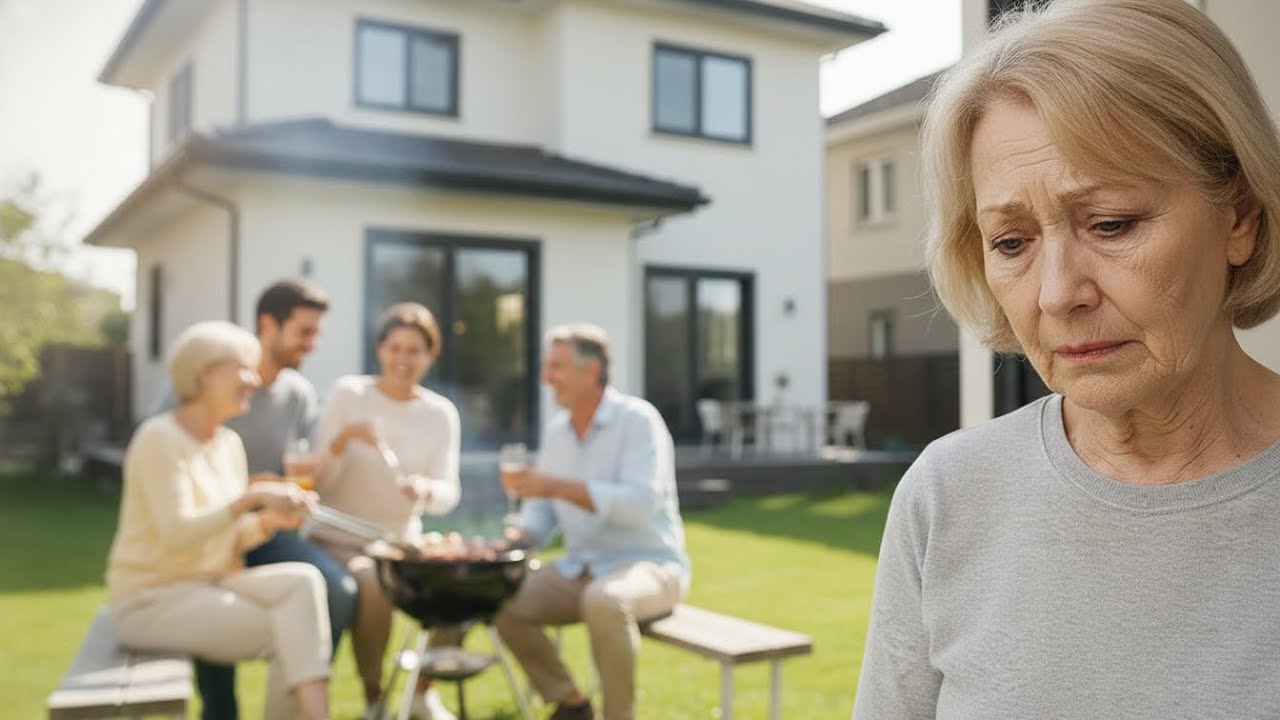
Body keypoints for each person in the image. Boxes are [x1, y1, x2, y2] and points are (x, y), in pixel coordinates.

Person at [852, 1, 1280, 718]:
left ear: (1238, 215)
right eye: (1012, 243)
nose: (1057, 294)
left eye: (1111, 223)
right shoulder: (949, 495)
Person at [153, 278, 357, 720]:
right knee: (215, 596)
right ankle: (220, 707)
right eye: (305, 331)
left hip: (267, 529)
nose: (313, 343)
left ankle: (293, 700)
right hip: (208, 531)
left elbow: (297, 464)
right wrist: (251, 490)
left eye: (317, 332)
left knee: (337, 589)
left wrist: (303, 477)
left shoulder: (299, 394)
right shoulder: (200, 383)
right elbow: (167, 466)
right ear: (269, 324)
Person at [106, 321, 332, 720]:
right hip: (151, 598)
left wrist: (268, 524)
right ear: (206, 373)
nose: (253, 379)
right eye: (243, 368)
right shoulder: (159, 438)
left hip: (209, 583)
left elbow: (225, 538)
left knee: (305, 582)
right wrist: (253, 496)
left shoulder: (229, 444)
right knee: (292, 636)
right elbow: (178, 534)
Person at [496, 324, 690, 720]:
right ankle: (571, 702)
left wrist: (559, 486)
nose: (545, 378)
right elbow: (544, 508)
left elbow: (640, 503)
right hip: (581, 567)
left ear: (592, 371)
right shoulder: (557, 432)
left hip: (651, 566)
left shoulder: (638, 421)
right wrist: (518, 537)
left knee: (604, 601)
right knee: (500, 596)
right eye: (545, 367)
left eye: (557, 367)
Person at [310, 302, 462, 720]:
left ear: (430, 356)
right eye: (395, 348)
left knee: (458, 581)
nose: (403, 359)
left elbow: (449, 492)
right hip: (339, 537)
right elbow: (319, 481)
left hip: (398, 539)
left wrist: (425, 490)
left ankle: (422, 693)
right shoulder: (348, 395)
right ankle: (375, 698)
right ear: (380, 350)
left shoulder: (439, 414)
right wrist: (342, 442)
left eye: (415, 350)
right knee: (373, 585)